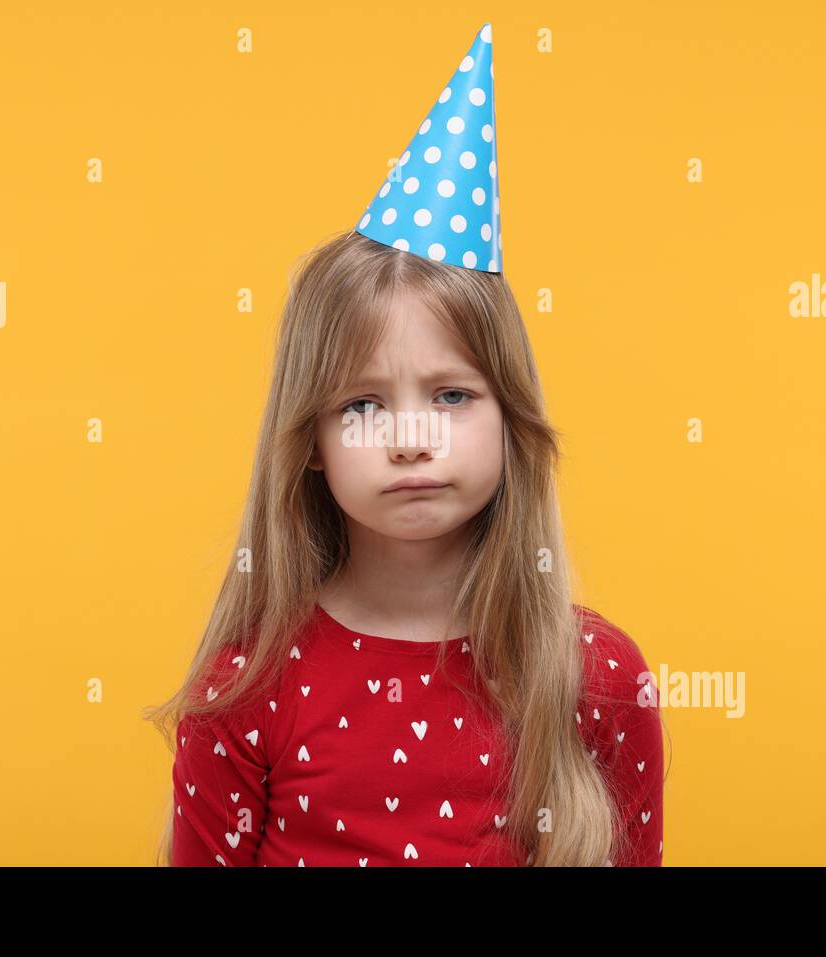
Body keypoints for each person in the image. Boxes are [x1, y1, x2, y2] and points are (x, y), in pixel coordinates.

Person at [146, 22, 665, 867]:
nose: (412, 439)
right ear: (309, 438)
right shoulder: (246, 686)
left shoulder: (598, 677)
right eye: (362, 405)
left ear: (513, 419)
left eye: (453, 395)